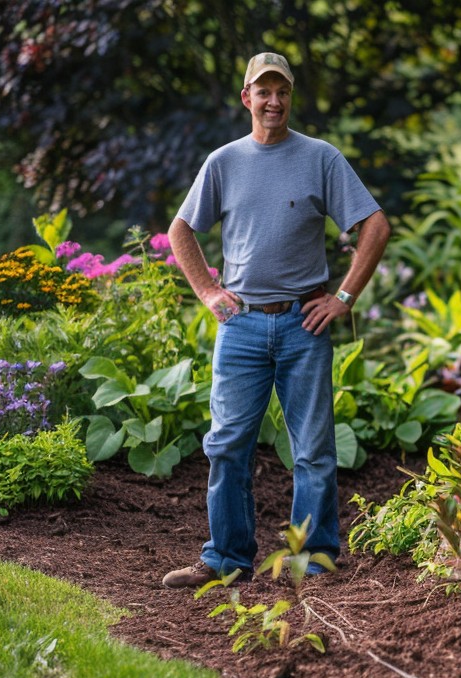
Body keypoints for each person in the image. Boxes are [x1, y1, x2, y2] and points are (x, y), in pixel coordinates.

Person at [162, 52, 390, 589]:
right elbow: (180, 230)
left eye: (281, 91)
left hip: (302, 325)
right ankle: (226, 559)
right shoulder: (224, 162)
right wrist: (207, 290)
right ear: (247, 99)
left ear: (290, 97)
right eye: (262, 91)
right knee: (227, 445)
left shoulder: (321, 158)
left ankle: (313, 557)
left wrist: (344, 297)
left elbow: (375, 225)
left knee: (312, 449)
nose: (273, 101)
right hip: (240, 327)